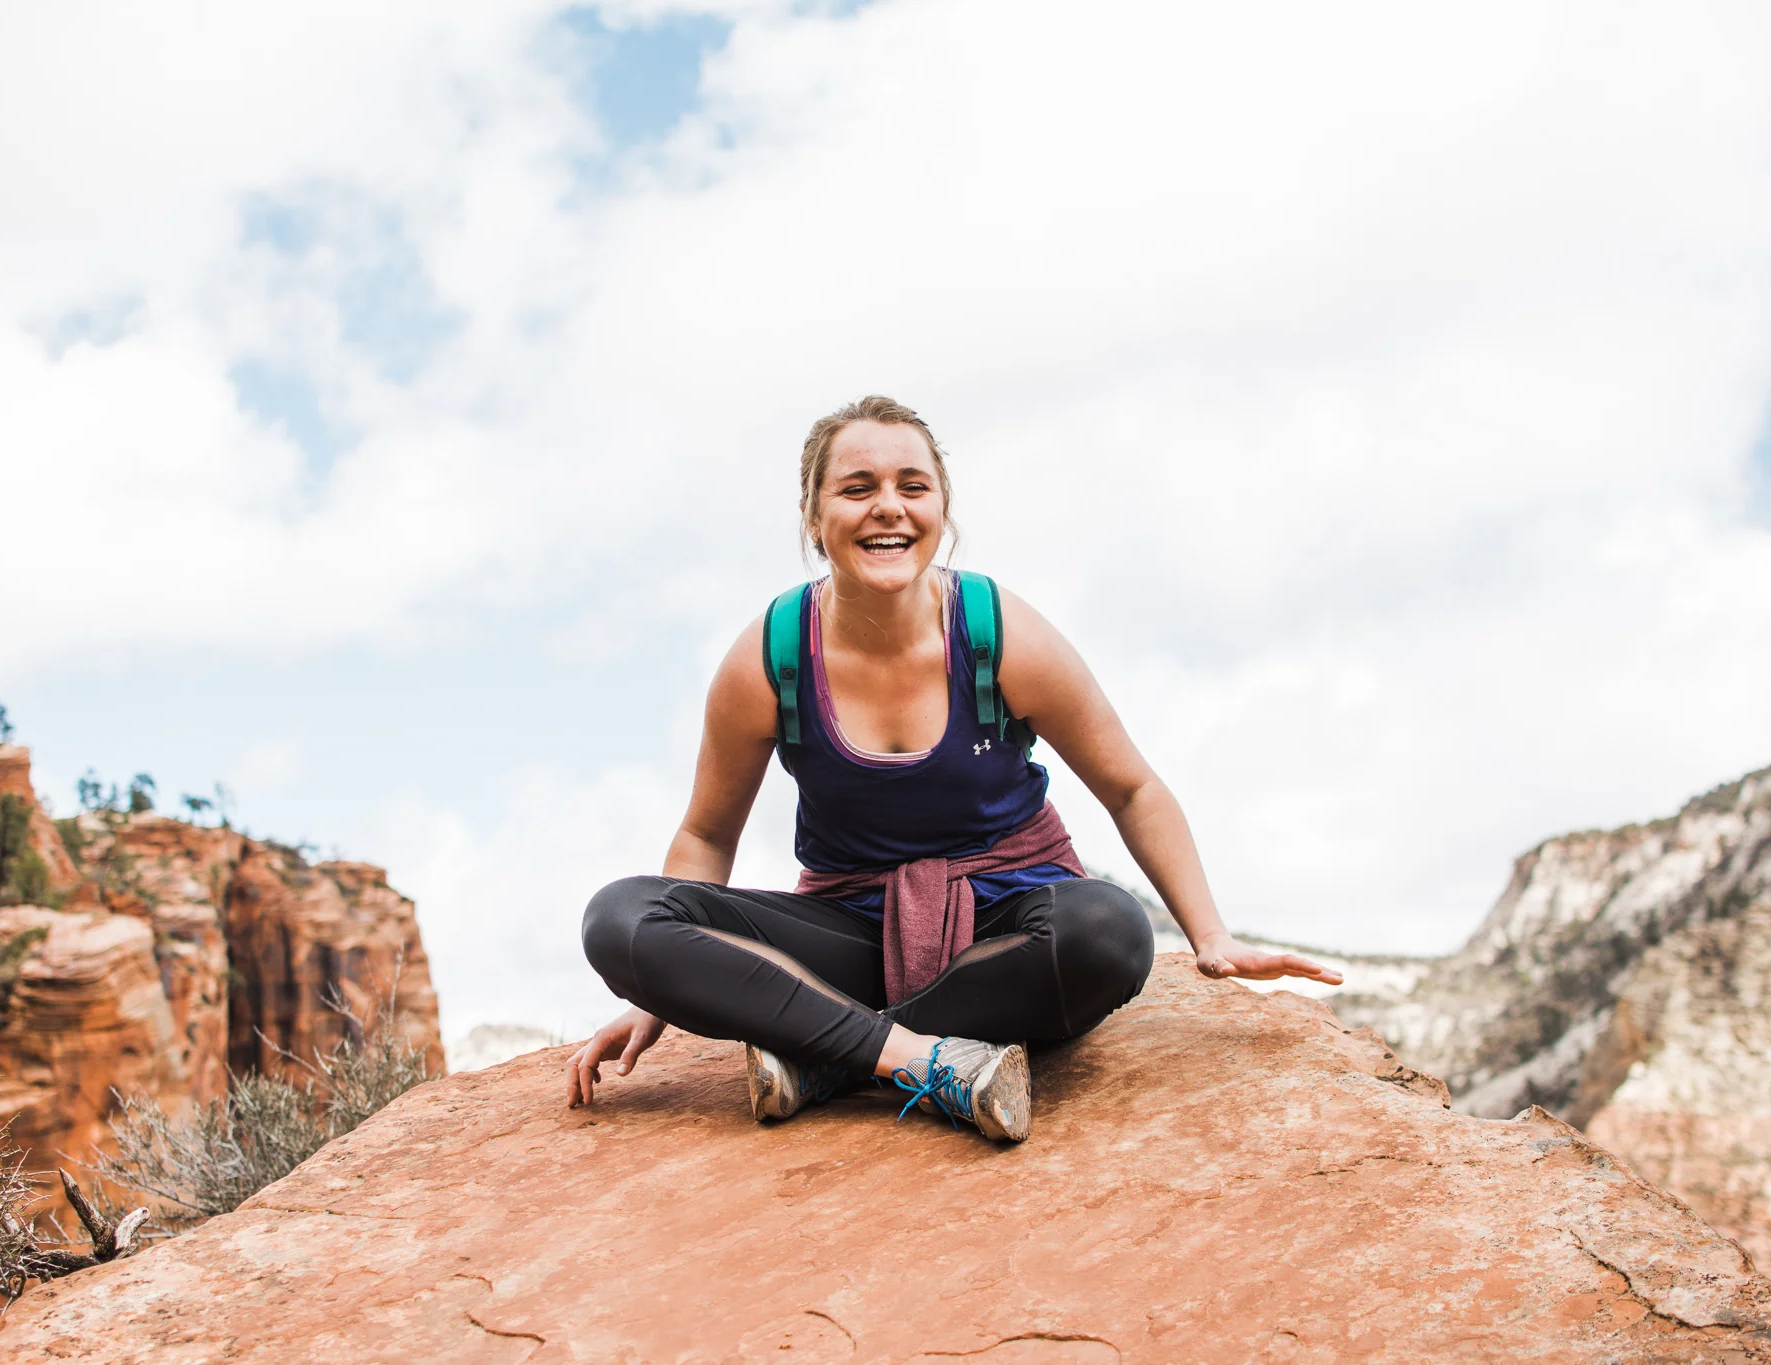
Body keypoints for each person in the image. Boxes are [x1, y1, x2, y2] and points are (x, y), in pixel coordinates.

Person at [567, 396, 1342, 1141]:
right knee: (622, 918)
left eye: (913, 486)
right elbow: (704, 836)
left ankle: (829, 1056)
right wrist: (655, 990)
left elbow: (1131, 787)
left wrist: (1209, 932)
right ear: (814, 517)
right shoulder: (770, 655)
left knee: (1108, 930)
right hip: (851, 933)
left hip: (1006, 932)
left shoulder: (996, 632)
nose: (888, 507)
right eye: (857, 488)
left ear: (943, 510)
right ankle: (915, 1059)